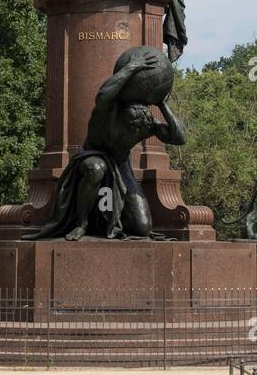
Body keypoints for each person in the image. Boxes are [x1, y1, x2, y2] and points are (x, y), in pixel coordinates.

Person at [28, 48, 184, 240]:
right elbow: (104, 93)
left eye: (137, 127)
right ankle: (81, 223)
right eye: (131, 123)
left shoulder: (145, 123)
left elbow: (179, 137)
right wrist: (131, 67)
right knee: (96, 168)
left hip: (120, 164)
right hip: (91, 155)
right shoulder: (108, 109)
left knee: (142, 227)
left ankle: (108, 220)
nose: (134, 130)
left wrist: (161, 103)